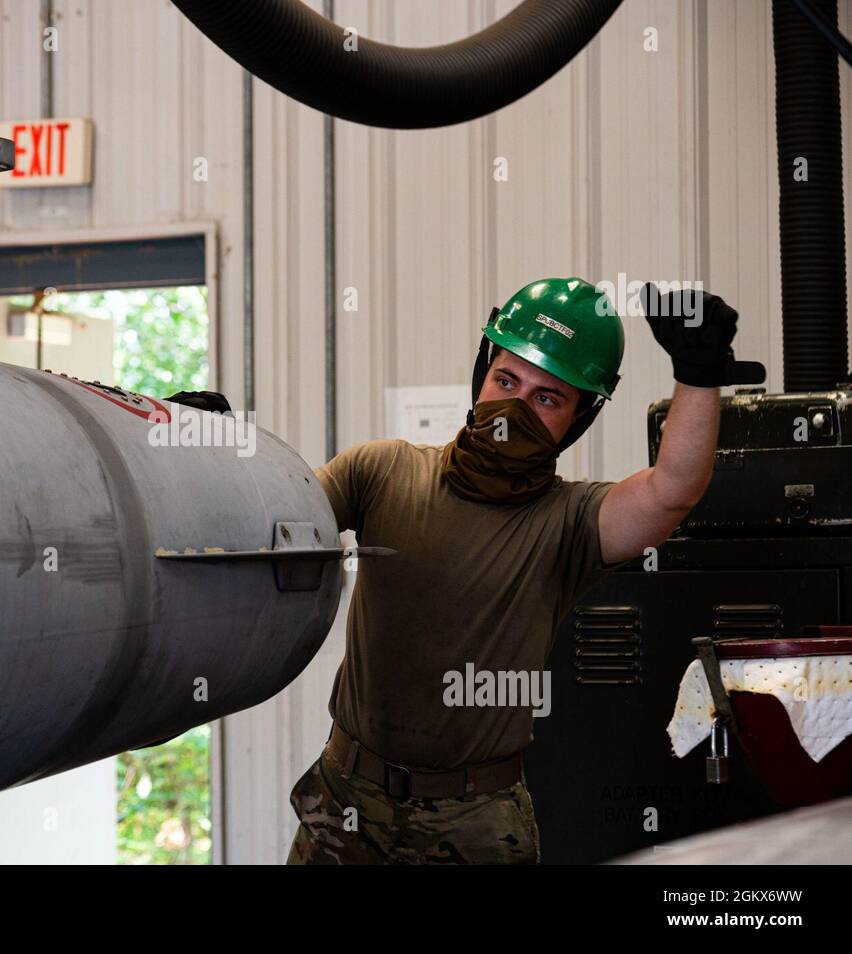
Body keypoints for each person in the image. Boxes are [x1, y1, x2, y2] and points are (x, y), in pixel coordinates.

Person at [287, 277, 764, 864]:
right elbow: (282, 515)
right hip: (345, 802)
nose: (514, 409)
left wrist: (699, 373)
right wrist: (214, 448)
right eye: (506, 380)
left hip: (474, 823)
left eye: (546, 397)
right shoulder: (381, 471)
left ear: (579, 418)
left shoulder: (570, 521)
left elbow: (672, 492)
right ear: (482, 372)